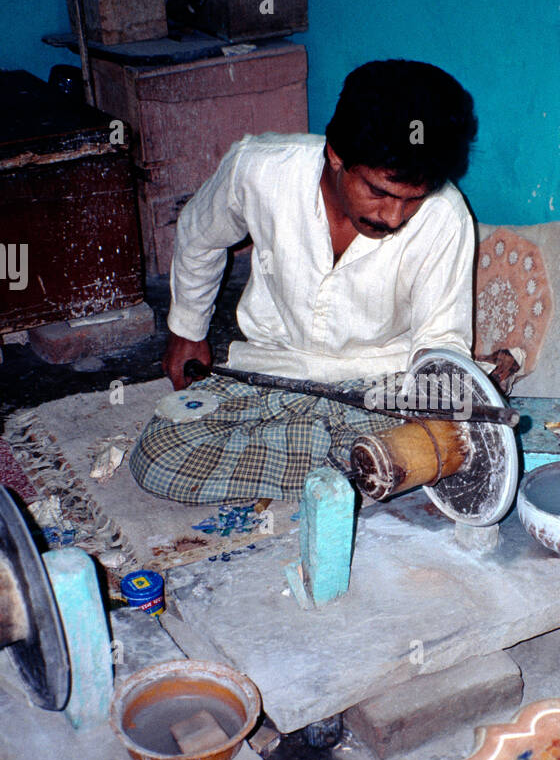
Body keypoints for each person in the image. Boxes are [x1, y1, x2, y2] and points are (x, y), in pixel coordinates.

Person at [129, 59, 485, 505]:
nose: (394, 217)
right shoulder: (259, 169)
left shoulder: (445, 215)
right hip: (269, 374)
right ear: (336, 154)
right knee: (159, 455)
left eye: (413, 200)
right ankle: (361, 473)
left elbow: (440, 342)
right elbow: (199, 234)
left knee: (446, 446)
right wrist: (186, 329)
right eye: (379, 192)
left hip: (378, 389)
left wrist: (441, 413)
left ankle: (354, 466)